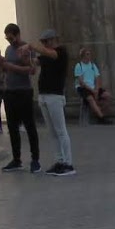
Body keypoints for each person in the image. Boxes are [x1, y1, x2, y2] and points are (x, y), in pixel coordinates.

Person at [0, 23, 41, 174]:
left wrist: (11, 66)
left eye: (10, 37)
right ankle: (16, 159)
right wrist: (3, 66)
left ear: (17, 35)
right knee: (12, 127)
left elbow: (32, 70)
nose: (9, 41)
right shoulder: (8, 49)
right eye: (6, 38)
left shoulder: (26, 48)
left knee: (29, 126)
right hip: (10, 92)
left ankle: (35, 159)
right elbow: (8, 68)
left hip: (24, 91)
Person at [32, 29, 75, 175]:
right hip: (44, 95)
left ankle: (68, 164)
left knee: (61, 130)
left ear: (53, 40)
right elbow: (33, 64)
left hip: (55, 96)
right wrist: (25, 55)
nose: (44, 45)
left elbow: (51, 54)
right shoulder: (45, 55)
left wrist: (32, 46)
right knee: (52, 132)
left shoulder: (60, 52)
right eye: (43, 42)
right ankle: (59, 160)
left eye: (46, 42)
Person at [72, 48, 113, 124]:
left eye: (89, 54)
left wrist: (96, 89)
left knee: (107, 96)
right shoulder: (79, 66)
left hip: (93, 87)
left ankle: (100, 112)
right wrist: (92, 91)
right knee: (90, 99)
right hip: (83, 88)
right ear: (83, 56)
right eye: (87, 54)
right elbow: (81, 82)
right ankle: (101, 118)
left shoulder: (93, 65)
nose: (89, 56)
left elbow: (97, 78)